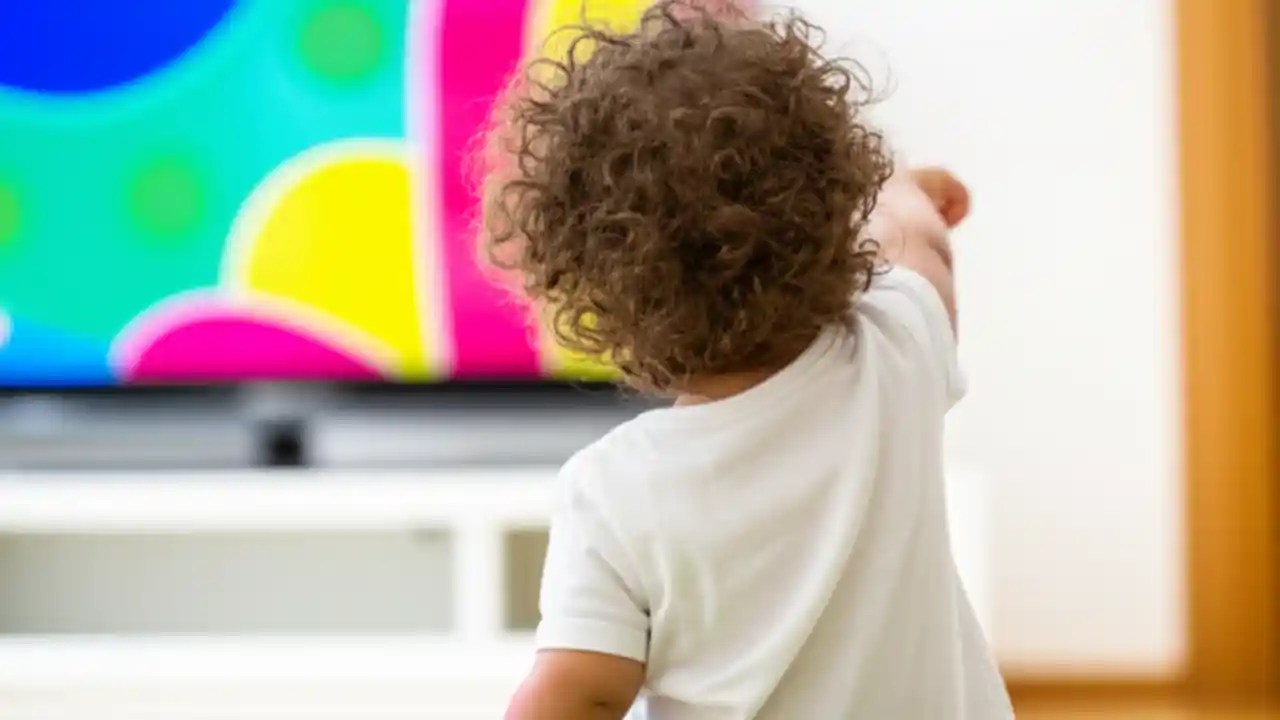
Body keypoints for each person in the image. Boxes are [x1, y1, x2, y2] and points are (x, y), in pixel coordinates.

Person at [481, 2, 1012, 717]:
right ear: (837, 209)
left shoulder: (613, 491)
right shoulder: (894, 350)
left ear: (595, 288)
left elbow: (577, 696)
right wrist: (901, 190)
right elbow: (920, 245)